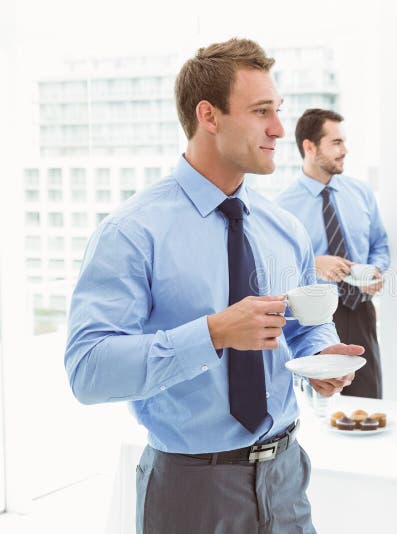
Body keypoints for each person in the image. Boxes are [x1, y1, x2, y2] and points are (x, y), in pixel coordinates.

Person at [64, 38, 364, 534]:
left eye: (278, 110)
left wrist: (323, 353)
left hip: (286, 478)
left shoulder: (283, 227)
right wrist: (213, 334)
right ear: (209, 115)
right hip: (190, 492)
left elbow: (305, 322)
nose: (278, 129)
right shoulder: (133, 233)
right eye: (262, 111)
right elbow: (88, 371)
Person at [277, 108, 390, 398]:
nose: (345, 150)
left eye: (344, 142)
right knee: (319, 404)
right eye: (336, 143)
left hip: (360, 310)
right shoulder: (283, 207)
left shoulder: (361, 193)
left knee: (368, 400)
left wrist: (376, 271)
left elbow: (380, 244)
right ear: (309, 147)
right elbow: (275, 266)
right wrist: (313, 263)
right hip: (311, 318)